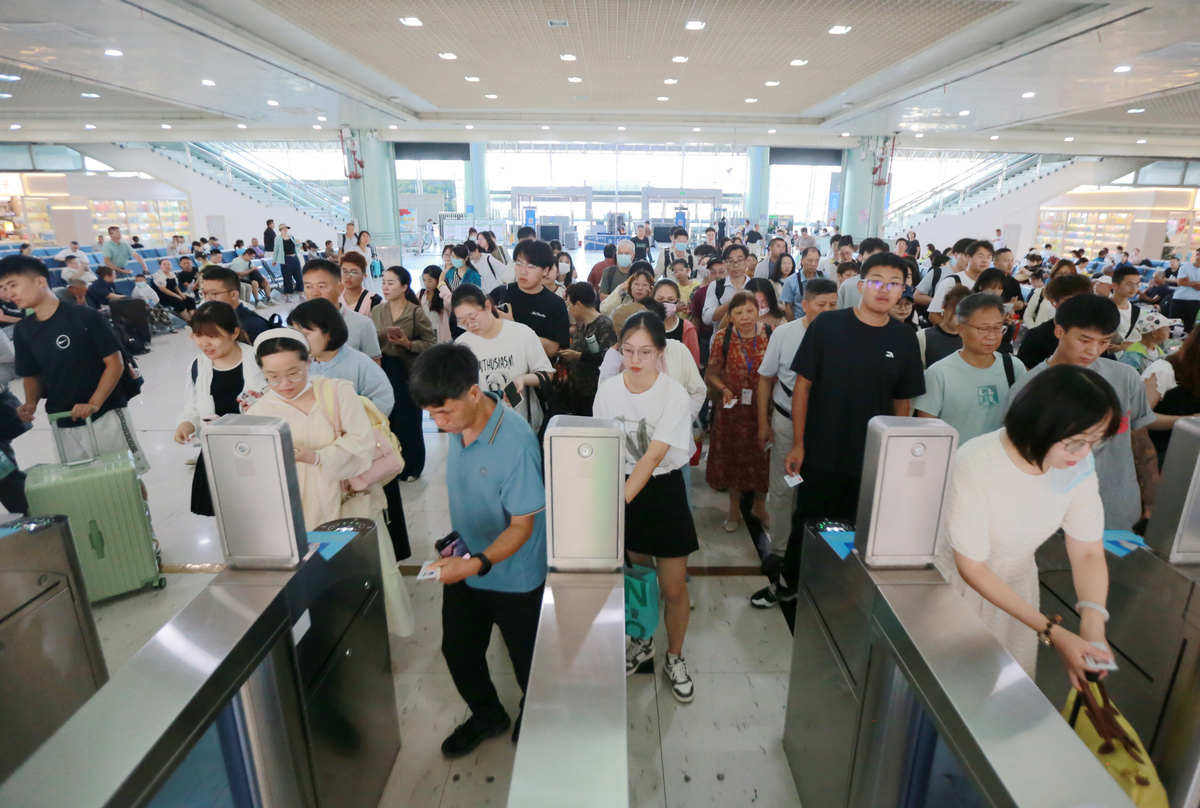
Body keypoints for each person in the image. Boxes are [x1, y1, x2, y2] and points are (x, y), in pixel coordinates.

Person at [409, 342, 549, 754]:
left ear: (472, 393)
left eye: (444, 412)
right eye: (431, 415)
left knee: (528, 661)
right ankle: (489, 714)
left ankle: (535, 711)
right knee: (459, 650)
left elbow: (523, 525)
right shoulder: (459, 419)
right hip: (465, 557)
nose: (439, 423)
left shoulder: (515, 444)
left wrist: (475, 565)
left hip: (515, 574)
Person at [939, 365, 1116, 683]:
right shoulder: (975, 464)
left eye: (1094, 442)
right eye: (1076, 441)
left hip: (1017, 595)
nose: (1085, 453)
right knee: (954, 695)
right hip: (957, 596)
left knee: (1007, 697)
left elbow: (1088, 550)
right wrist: (1054, 633)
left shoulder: (1075, 465)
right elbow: (972, 567)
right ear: (1040, 424)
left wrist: (1092, 625)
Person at [781, 253, 925, 630]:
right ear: (860, 285)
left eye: (894, 282)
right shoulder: (828, 325)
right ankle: (791, 587)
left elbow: (903, 402)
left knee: (855, 529)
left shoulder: (904, 337)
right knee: (808, 522)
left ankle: (836, 598)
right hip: (822, 450)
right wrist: (798, 443)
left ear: (903, 290)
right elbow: (803, 388)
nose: (884, 289)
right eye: (876, 280)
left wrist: (894, 456)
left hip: (872, 459)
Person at [247, 329, 412, 637]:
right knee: (323, 580)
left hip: (351, 504)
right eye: (273, 377)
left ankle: (377, 639)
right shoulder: (260, 412)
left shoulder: (336, 392)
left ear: (309, 361)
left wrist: (317, 457)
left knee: (367, 572)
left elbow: (362, 444)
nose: (284, 384)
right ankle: (338, 641)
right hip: (304, 512)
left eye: (293, 373)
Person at [1004, 295, 1178, 531]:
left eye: (1104, 342)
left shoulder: (1125, 377)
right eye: (1084, 340)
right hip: (1054, 520)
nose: (1093, 350)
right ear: (1059, 331)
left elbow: (1139, 439)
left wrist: (1151, 503)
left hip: (1120, 513)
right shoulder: (1030, 390)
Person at [593, 312, 698, 702]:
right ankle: (641, 641)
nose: (635, 361)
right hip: (624, 489)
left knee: (672, 587)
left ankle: (675, 655)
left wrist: (613, 505)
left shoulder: (673, 394)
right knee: (638, 578)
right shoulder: (608, 391)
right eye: (628, 351)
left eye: (645, 352)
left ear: (661, 353)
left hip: (662, 490)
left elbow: (654, 457)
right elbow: (604, 447)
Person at [1, 255, 150, 475]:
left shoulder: (85, 317)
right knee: (83, 481)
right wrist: (30, 403)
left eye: (13, 285)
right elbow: (32, 374)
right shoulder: (24, 330)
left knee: (126, 478)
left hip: (105, 414)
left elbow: (114, 364)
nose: (7, 294)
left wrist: (94, 403)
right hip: (62, 419)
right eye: (3, 288)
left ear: (40, 282)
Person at [750, 278, 838, 609]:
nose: (828, 311)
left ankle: (819, 556)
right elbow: (765, 378)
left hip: (826, 427)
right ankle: (781, 552)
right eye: (821, 305)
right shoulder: (786, 334)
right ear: (805, 303)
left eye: (833, 305)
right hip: (786, 422)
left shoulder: (842, 335)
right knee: (784, 489)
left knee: (819, 492)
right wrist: (763, 422)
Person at [175, 301, 264, 511]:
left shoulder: (259, 360)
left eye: (213, 336)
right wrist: (187, 424)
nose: (205, 343)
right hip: (218, 451)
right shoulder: (198, 366)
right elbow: (194, 408)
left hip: (256, 450)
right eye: (198, 335)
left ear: (234, 333)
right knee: (227, 514)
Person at [914, 293, 1025, 443]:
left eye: (998, 328)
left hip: (999, 461)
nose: (992, 336)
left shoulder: (1013, 367)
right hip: (954, 461)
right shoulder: (939, 373)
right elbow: (925, 432)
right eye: (983, 328)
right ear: (961, 329)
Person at [706, 291, 771, 532]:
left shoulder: (772, 335)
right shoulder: (723, 337)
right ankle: (734, 511)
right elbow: (711, 373)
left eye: (750, 311)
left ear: (759, 311)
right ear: (731, 316)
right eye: (738, 312)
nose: (745, 316)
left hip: (764, 410)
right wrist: (723, 388)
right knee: (733, 460)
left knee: (763, 459)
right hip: (732, 411)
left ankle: (759, 506)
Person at [452, 284, 550, 426]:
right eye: (463, 322)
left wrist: (523, 379)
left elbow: (547, 373)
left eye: (473, 317)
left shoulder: (522, 333)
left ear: (487, 306)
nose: (470, 325)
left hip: (522, 424)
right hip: (483, 423)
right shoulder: (461, 345)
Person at [370, 266, 436, 480]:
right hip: (383, 369)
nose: (386, 287)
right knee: (388, 419)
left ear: (404, 286)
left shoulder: (415, 311)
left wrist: (408, 343)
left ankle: (413, 466)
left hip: (407, 370)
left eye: (391, 283)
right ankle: (392, 465)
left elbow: (430, 342)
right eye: (384, 282)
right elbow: (370, 341)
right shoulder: (378, 311)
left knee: (409, 420)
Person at [501, 239, 570, 359]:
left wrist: (513, 328)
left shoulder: (555, 304)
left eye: (531, 266)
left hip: (536, 372)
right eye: (518, 264)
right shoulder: (500, 294)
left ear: (545, 270)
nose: (523, 271)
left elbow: (552, 349)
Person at [301, 259, 382, 361]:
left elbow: (374, 366)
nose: (315, 293)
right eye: (308, 286)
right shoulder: (297, 324)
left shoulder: (362, 324)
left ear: (340, 288)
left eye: (322, 286)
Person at [558, 282, 617, 416]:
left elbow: (608, 358)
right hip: (577, 391)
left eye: (570, 305)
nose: (569, 310)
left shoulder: (604, 324)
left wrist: (578, 356)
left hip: (594, 392)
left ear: (578, 304)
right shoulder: (581, 325)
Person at [1017, 274, 1093, 370]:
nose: (1079, 304)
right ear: (1054, 302)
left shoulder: (1096, 336)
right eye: (1071, 300)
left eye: (1084, 299)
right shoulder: (1037, 336)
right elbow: (1024, 374)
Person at [928, 239, 993, 325]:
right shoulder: (952, 281)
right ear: (969, 257)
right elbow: (933, 315)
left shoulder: (989, 284)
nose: (985, 261)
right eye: (980, 256)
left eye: (989, 257)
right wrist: (956, 333)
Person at [199, 266, 270, 342]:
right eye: (204, 293)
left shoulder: (251, 325)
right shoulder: (218, 319)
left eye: (213, 293)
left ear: (234, 295)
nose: (207, 299)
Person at [916, 283, 969, 369]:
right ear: (943, 308)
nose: (960, 319)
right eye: (956, 313)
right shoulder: (923, 337)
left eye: (965, 315)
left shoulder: (971, 338)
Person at [653, 278, 699, 366]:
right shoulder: (644, 325)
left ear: (677, 301)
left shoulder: (687, 328)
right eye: (660, 299)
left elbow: (693, 363)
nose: (665, 304)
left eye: (670, 300)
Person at [836, 237, 888, 310]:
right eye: (870, 259)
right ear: (860, 257)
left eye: (878, 260)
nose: (874, 264)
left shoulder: (889, 286)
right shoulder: (847, 286)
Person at [1118, 311, 1175, 375]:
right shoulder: (1132, 355)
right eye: (1166, 329)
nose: (1169, 330)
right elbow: (1125, 377)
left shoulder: (1158, 350)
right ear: (1154, 333)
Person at [1025, 259, 1077, 329]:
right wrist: (1034, 331)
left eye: (1067, 273)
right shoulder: (1042, 291)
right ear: (1053, 275)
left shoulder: (1077, 297)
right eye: (1059, 273)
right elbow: (1028, 315)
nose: (1063, 277)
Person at [601, 264, 655, 330]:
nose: (640, 288)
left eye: (645, 285)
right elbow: (604, 310)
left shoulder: (654, 309)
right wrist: (620, 290)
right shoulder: (624, 302)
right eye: (636, 284)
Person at [1110, 266, 1147, 351]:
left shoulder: (1136, 311)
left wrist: (1120, 347)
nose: (1134, 288)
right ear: (1115, 286)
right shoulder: (1100, 307)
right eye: (1129, 284)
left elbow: (1136, 338)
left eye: (1137, 284)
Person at [780, 247, 824, 319]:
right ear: (802, 261)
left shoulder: (825, 278)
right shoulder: (791, 281)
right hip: (799, 322)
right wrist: (794, 324)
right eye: (810, 260)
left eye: (817, 260)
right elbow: (788, 307)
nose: (813, 264)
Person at [151, 258, 195, 323]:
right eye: (164, 264)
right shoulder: (158, 275)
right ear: (160, 266)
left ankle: (194, 318)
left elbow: (175, 286)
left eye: (169, 264)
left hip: (172, 294)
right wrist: (176, 296)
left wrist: (180, 293)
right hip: (162, 296)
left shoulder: (172, 274)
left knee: (189, 299)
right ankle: (189, 320)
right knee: (178, 301)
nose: (167, 266)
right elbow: (163, 289)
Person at [271, 224, 303, 302]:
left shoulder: (291, 236)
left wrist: (299, 243)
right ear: (280, 230)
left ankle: (301, 294)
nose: (285, 230)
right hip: (285, 259)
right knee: (287, 277)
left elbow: (296, 246)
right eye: (283, 229)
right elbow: (276, 250)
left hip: (294, 257)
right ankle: (288, 295)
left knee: (299, 276)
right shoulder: (278, 239)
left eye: (286, 229)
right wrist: (274, 260)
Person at [419, 265, 450, 343]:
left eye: (429, 281)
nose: (426, 284)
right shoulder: (421, 294)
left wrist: (441, 284)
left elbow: (450, 302)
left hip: (440, 333)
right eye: (424, 280)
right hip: (424, 332)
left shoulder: (443, 295)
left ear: (437, 279)